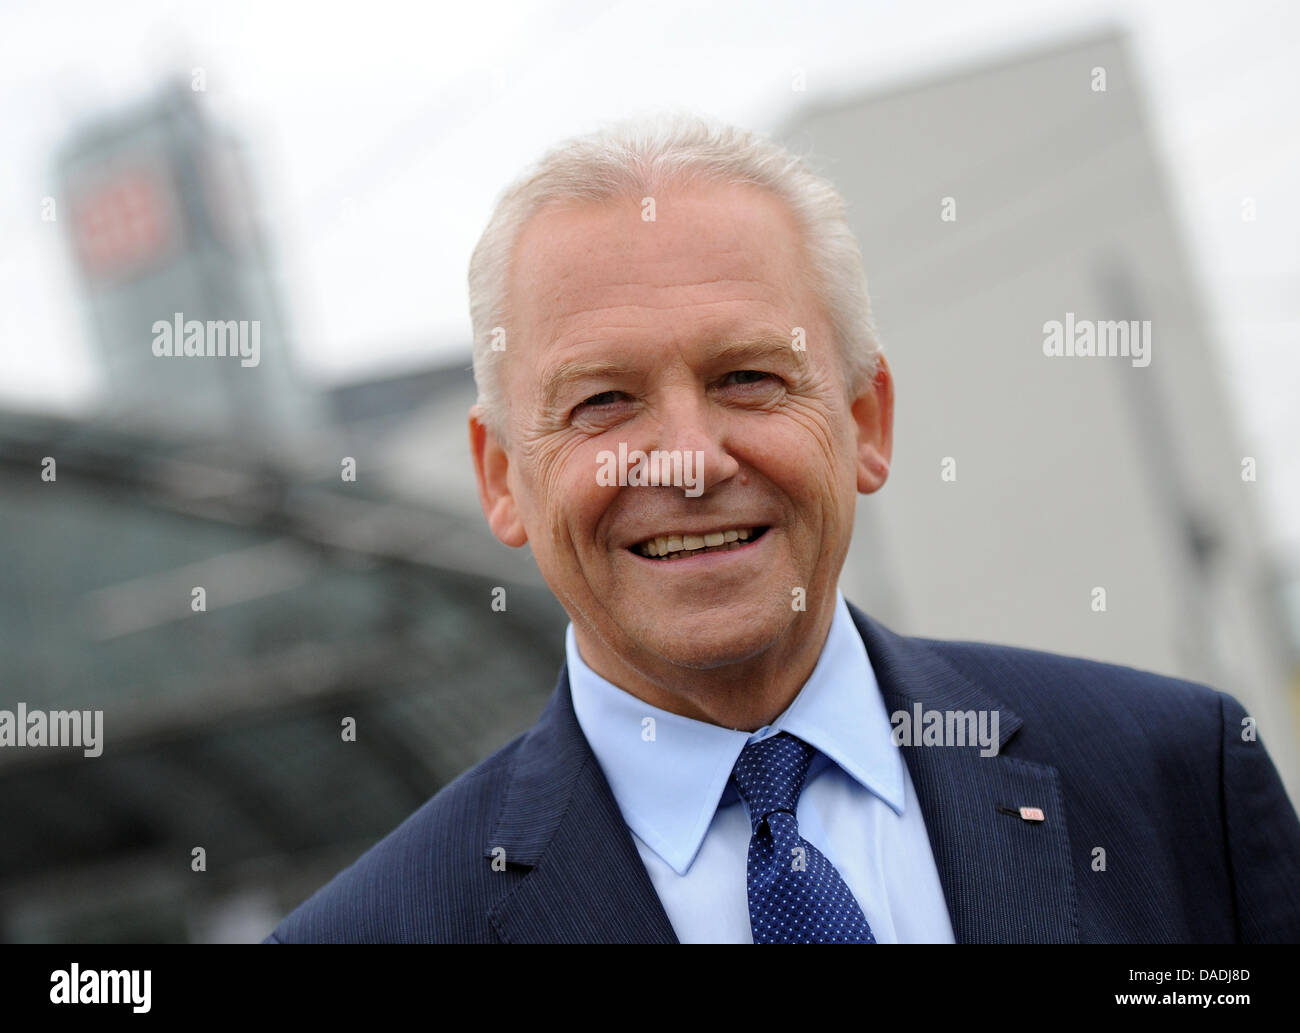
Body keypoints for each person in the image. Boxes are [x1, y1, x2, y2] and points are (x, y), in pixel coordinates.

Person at [266, 113, 1300, 943]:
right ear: (501, 477)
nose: (689, 458)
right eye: (604, 401)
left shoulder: (1176, 781)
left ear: (864, 421)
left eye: (747, 378)